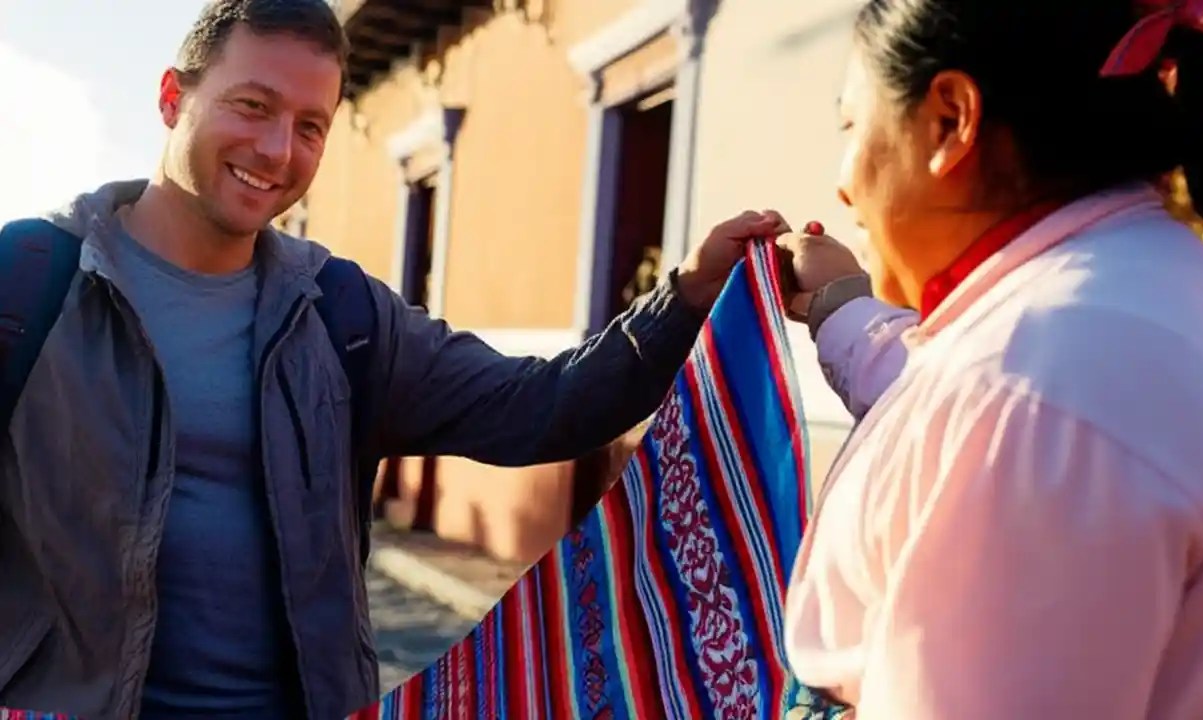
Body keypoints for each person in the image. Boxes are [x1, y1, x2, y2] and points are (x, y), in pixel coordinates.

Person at [0, 1, 792, 718]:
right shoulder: (27, 284)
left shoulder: (342, 315)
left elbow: (542, 407)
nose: (277, 150)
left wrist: (686, 294)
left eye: (311, 126)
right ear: (174, 98)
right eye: (252, 106)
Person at [775, 0, 1203, 717]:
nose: (844, 181)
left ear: (950, 120)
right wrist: (839, 307)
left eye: (852, 124)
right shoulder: (1139, 290)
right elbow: (938, 396)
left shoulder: (1035, 390)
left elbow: (991, 410)